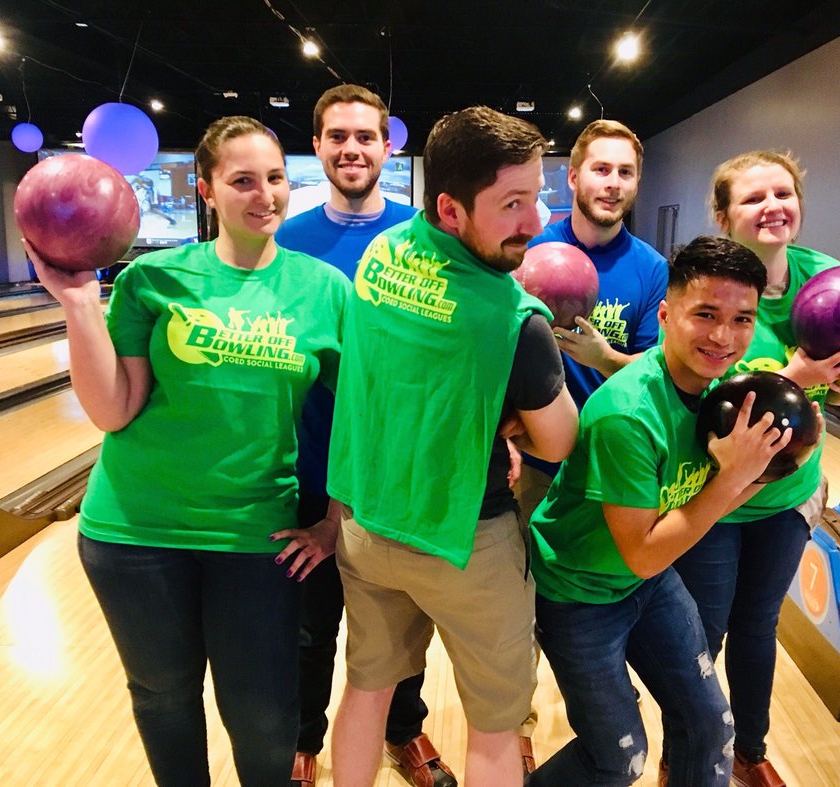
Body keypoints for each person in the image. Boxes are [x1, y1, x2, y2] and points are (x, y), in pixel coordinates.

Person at [25, 116, 350, 786]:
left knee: (264, 719)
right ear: (205, 188)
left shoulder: (325, 289)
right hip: (135, 533)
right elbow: (114, 408)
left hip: (258, 537)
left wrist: (333, 520)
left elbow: (359, 419)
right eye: (242, 181)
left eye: (276, 178)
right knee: (164, 699)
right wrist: (82, 306)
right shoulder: (152, 278)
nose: (265, 195)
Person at [327, 106, 579, 787]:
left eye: (539, 194)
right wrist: (514, 411)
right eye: (513, 204)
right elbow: (561, 438)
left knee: (366, 691)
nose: (538, 220)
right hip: (466, 541)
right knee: (495, 727)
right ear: (449, 208)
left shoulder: (380, 256)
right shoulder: (513, 320)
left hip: (367, 529)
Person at [527, 235, 803, 786]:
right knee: (617, 760)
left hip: (646, 588)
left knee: (710, 727)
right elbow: (643, 554)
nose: (724, 337)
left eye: (741, 319)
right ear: (666, 314)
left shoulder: (727, 387)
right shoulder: (627, 416)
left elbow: (786, 417)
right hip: (580, 595)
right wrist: (732, 480)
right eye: (705, 314)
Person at [666, 151, 840, 787]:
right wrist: (799, 375)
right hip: (714, 494)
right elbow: (711, 402)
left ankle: (749, 754)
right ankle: (684, 758)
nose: (772, 207)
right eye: (753, 197)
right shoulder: (714, 291)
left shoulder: (830, 281)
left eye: (782, 193)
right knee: (702, 634)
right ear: (723, 214)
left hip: (786, 495)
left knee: (758, 627)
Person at [273, 84, 454, 787]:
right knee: (312, 627)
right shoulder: (287, 241)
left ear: (389, 145)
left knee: (407, 625)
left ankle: (403, 730)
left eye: (365, 136)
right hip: (316, 465)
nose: (352, 148)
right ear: (317, 146)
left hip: (401, 472)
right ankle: (303, 739)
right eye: (337, 136)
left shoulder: (424, 235)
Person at [516, 119, 668, 520]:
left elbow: (657, 368)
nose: (613, 183)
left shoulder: (651, 268)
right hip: (534, 459)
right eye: (601, 169)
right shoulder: (528, 252)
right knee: (530, 574)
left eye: (625, 172)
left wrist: (603, 358)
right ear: (572, 176)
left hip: (613, 458)